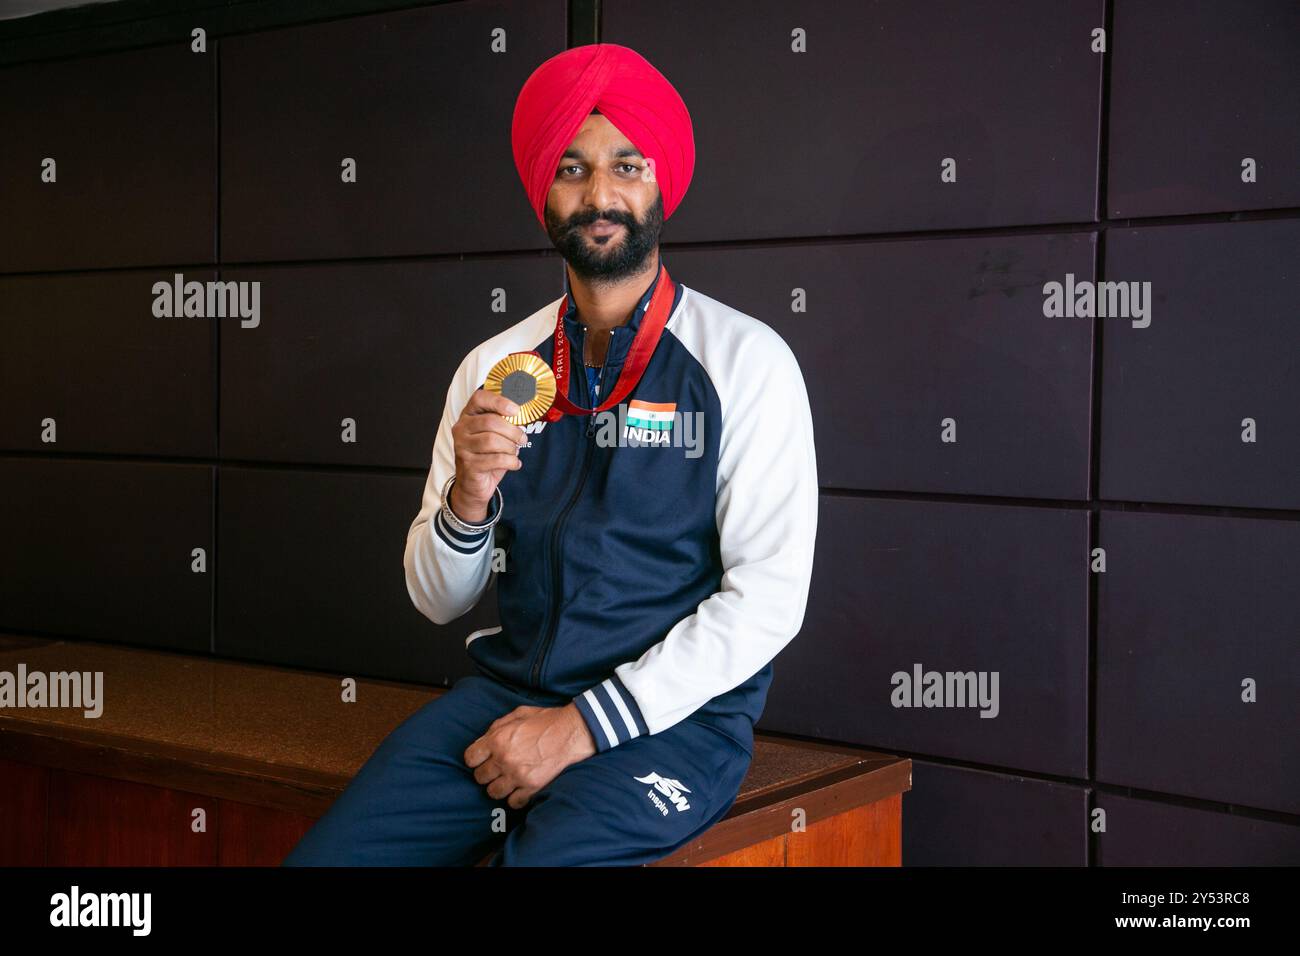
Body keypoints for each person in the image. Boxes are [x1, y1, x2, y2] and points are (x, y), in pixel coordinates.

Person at [283, 42, 818, 867]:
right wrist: (467, 498)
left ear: (659, 183)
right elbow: (436, 600)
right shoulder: (493, 367)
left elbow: (768, 602)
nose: (600, 194)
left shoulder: (746, 361)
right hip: (506, 696)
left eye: (626, 165)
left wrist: (582, 728)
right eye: (571, 168)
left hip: (674, 724)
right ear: (543, 191)